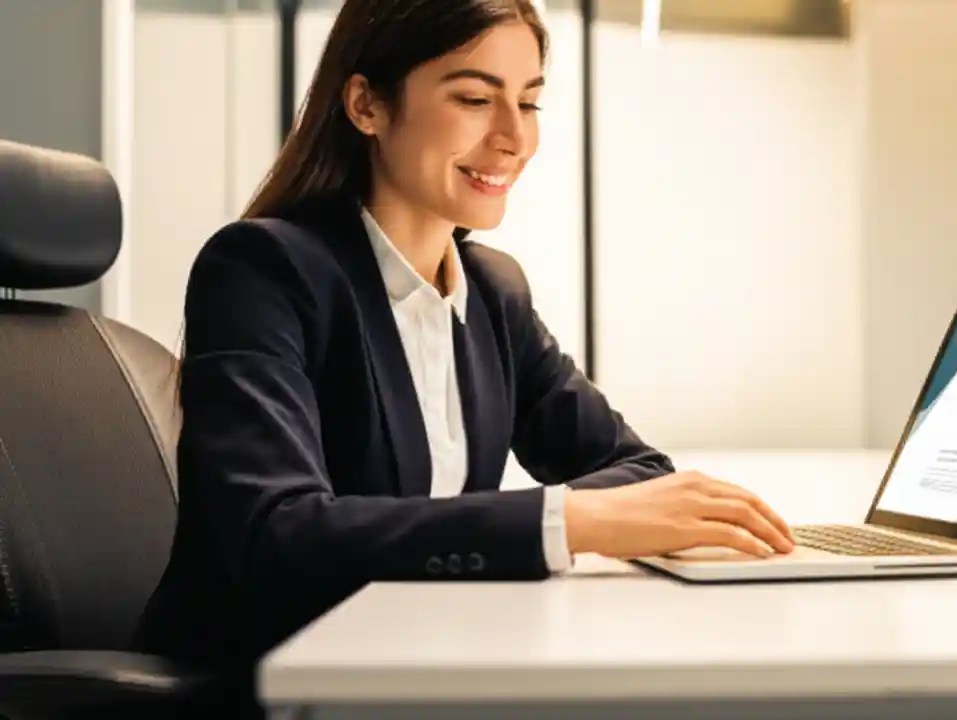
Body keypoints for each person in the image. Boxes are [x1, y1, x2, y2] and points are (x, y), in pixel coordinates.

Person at [133, 0, 794, 712]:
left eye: (529, 102)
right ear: (366, 105)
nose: (514, 138)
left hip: (419, 673)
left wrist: (588, 515)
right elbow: (280, 537)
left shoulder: (492, 293)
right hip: (270, 692)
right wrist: (572, 522)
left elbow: (637, 471)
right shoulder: (264, 271)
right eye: (476, 100)